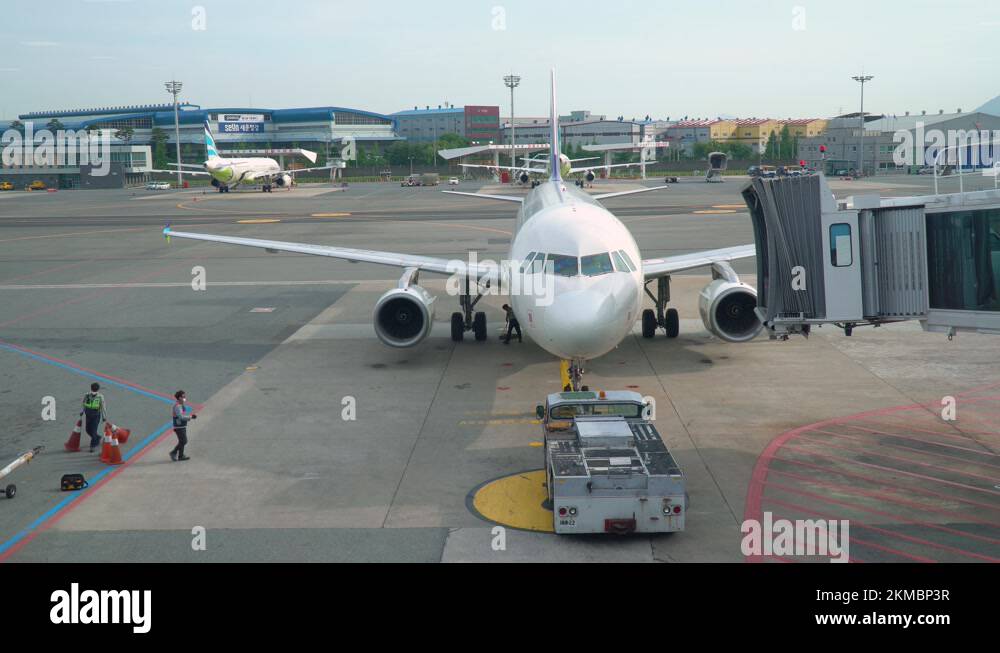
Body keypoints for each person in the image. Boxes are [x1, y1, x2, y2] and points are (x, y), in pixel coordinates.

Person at [170, 390, 197, 462]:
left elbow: (183, 414)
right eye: (183, 397)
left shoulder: (181, 405)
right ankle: (173, 452)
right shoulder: (177, 406)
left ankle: (181, 455)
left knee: (182, 441)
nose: (185, 398)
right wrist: (191, 417)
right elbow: (181, 417)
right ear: (179, 398)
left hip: (182, 426)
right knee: (184, 441)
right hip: (178, 427)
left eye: (185, 396)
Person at [81, 382, 107, 453]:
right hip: (88, 415)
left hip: (96, 416)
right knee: (87, 430)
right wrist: (82, 411)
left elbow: (103, 407)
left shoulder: (100, 396)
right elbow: (83, 404)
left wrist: (104, 416)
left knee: (93, 430)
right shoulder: (87, 395)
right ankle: (97, 438)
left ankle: (92, 446)